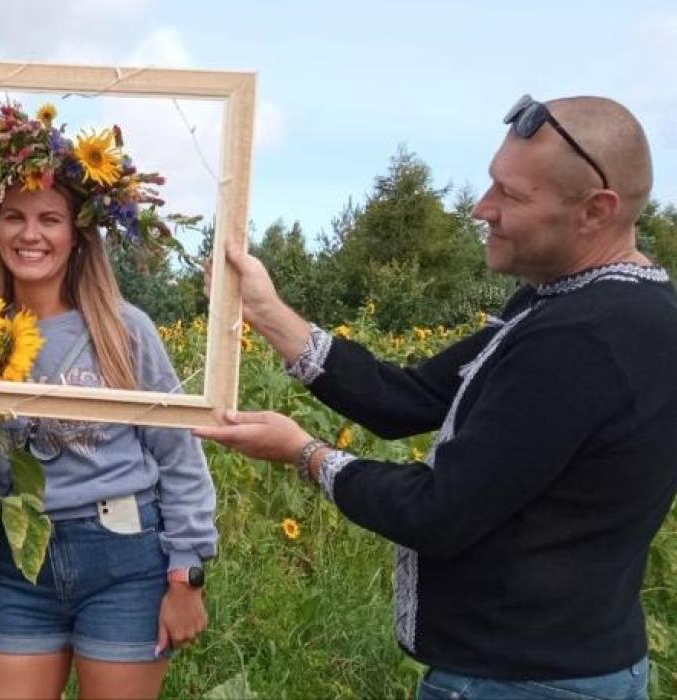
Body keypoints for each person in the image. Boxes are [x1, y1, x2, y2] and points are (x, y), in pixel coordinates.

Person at [197, 94, 677, 699]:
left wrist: (304, 452)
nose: (483, 208)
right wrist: (265, 311)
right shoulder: (576, 304)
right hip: (548, 672)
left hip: (524, 683)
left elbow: (438, 514)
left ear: (595, 210)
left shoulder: (588, 336)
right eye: (491, 184)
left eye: (512, 195)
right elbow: (410, 397)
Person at [0, 102, 218, 699]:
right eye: (13, 218)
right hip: (19, 565)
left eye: (50, 218)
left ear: (77, 234)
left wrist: (186, 575)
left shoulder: (123, 330)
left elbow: (179, 457)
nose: (30, 234)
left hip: (126, 560)